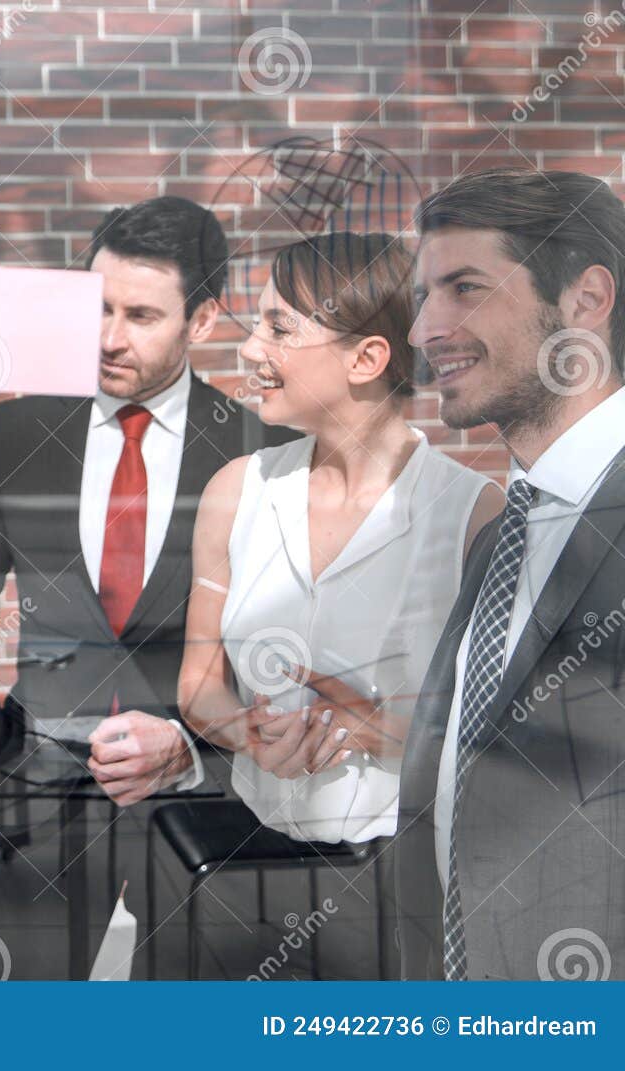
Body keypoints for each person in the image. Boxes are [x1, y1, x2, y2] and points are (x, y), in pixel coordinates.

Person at [0, 197, 296, 979]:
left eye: (140, 314)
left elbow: (290, 652)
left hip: (204, 809)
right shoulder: (18, 435)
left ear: (200, 322)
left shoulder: (265, 454)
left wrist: (196, 746)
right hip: (40, 805)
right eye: (97, 307)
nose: (107, 337)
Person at [179, 233, 500, 976]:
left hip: (406, 884)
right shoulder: (237, 491)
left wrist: (381, 731)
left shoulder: (473, 515)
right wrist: (249, 735)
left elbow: (505, 736)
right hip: (247, 876)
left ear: (367, 358)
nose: (251, 349)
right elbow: (197, 684)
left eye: (279, 327)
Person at [395, 168, 625, 980]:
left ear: (585, 300)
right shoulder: (507, 527)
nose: (426, 326)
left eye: (464, 287)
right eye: (427, 294)